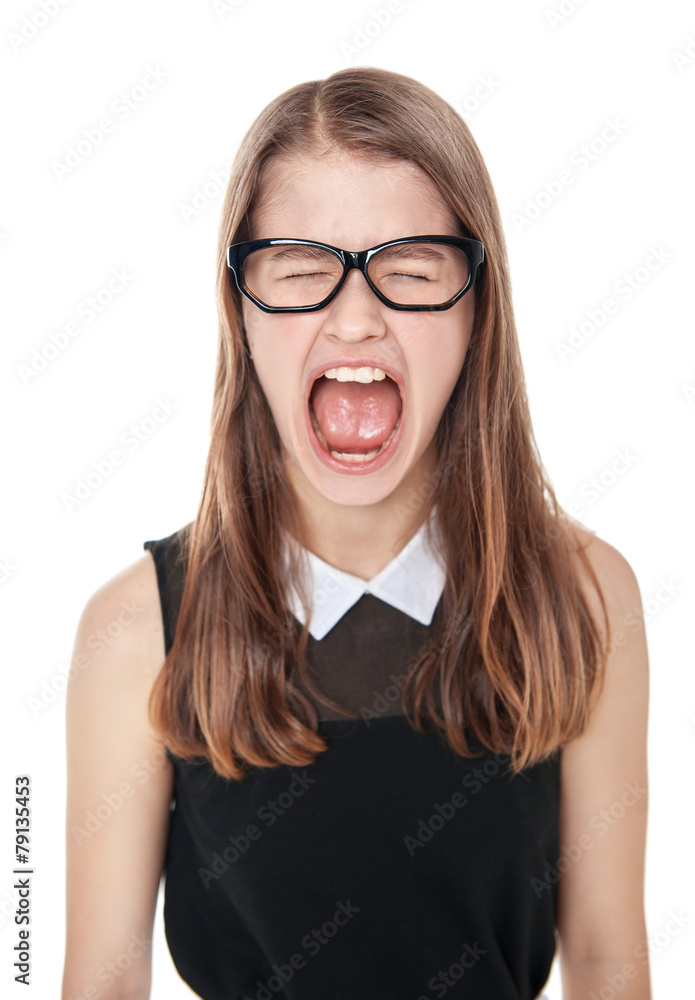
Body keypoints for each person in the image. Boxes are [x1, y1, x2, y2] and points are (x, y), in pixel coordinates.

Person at [62, 67, 651, 1000]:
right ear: (240, 308)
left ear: (477, 308)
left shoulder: (584, 595)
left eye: (411, 271)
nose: (355, 318)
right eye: (301, 272)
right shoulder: (135, 631)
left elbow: (610, 957)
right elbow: (100, 980)